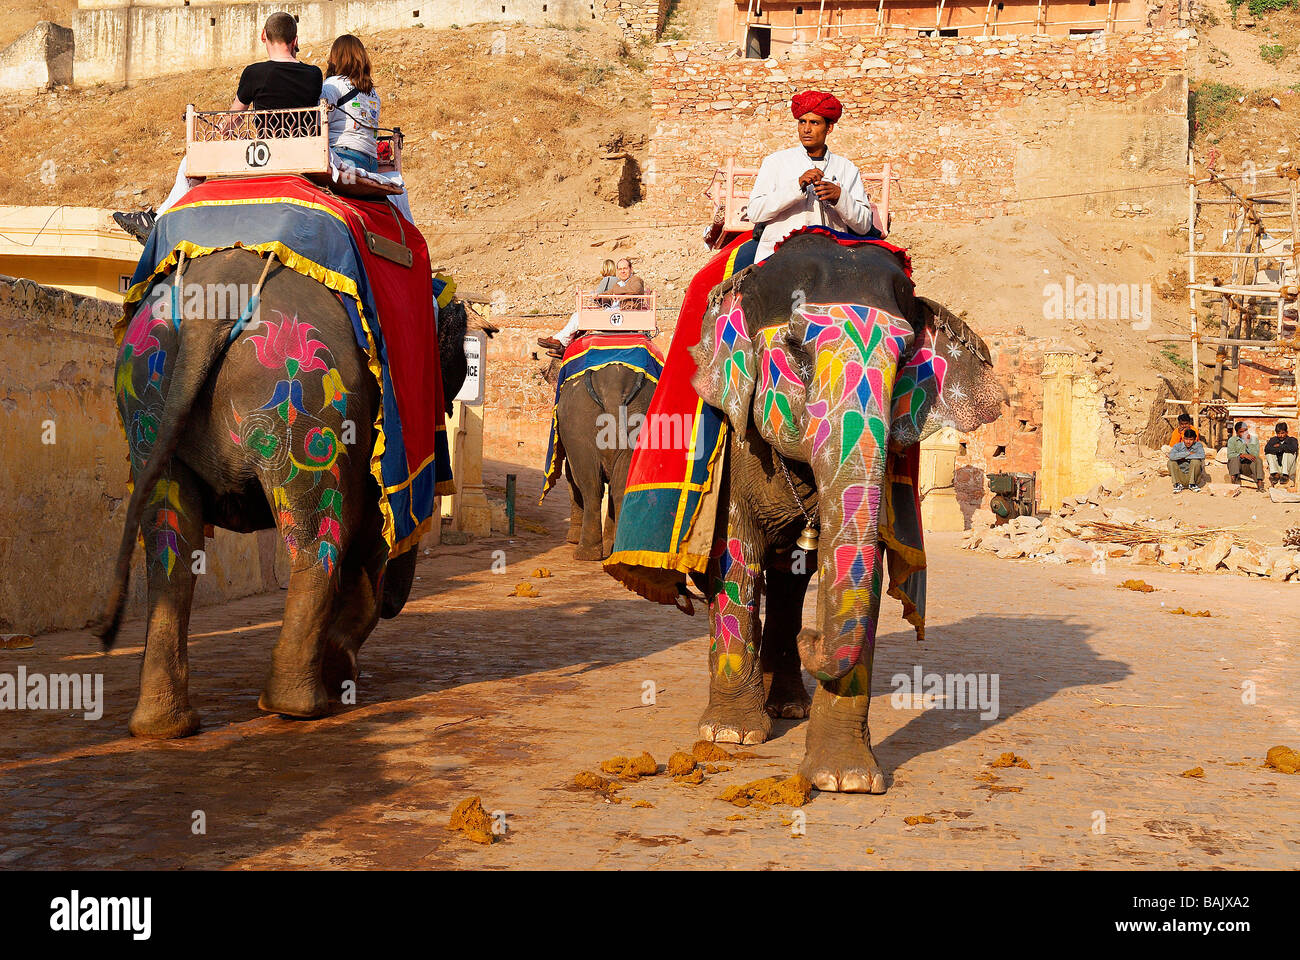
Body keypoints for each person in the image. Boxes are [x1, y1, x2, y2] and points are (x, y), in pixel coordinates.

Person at [112, 12, 323, 243]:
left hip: (263, 156)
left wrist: (222, 132)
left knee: (188, 163)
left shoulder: (253, 73)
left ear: (263, 36)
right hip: (301, 156)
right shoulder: (314, 75)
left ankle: (160, 220)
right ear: (295, 41)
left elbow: (233, 120)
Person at [746, 90, 886, 263]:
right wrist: (796, 186)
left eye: (814, 123)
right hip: (779, 259)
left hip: (831, 261)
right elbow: (755, 213)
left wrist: (840, 197)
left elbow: (864, 226)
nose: (806, 129)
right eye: (802, 122)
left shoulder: (846, 168)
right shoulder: (775, 162)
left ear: (829, 128)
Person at [323, 35, 382, 174]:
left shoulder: (333, 84)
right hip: (371, 162)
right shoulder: (373, 93)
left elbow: (320, 122)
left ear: (335, 58)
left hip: (344, 156)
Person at [543, 260, 621, 350]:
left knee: (577, 316)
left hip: (606, 312)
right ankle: (560, 341)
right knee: (577, 318)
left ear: (605, 268)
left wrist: (591, 293)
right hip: (610, 310)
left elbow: (596, 296)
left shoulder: (607, 280)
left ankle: (560, 341)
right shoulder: (618, 281)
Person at [1226, 420, 1264, 488]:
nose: (1244, 433)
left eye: (1245, 430)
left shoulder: (1254, 439)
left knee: (1258, 460)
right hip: (1237, 466)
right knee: (1234, 459)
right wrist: (1242, 455)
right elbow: (1230, 455)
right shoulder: (1232, 440)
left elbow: (1255, 454)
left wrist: (1248, 443)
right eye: (1241, 432)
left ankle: (1259, 482)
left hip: (1248, 467)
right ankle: (1235, 480)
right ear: (1237, 433)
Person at [1168, 428, 1205, 493]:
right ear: (1183, 438)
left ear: (1194, 440)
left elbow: (1202, 455)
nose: (1188, 441)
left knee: (1196, 461)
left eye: (1191, 439)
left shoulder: (1198, 445)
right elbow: (1171, 456)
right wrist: (1187, 453)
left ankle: (1192, 485)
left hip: (1193, 477)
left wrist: (1181, 457)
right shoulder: (1177, 446)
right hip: (1180, 477)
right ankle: (1177, 484)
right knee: (1171, 462)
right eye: (1186, 439)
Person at [1264, 421, 1298, 487]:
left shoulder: (1292, 440)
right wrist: (1282, 448)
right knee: (1269, 454)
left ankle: (1285, 475)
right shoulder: (1273, 440)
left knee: (1287, 453)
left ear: (1286, 432)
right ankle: (1275, 474)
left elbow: (1293, 449)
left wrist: (1279, 446)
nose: (1281, 435)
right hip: (1278, 469)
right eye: (1278, 433)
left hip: (1289, 469)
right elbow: (1267, 449)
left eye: (1282, 433)